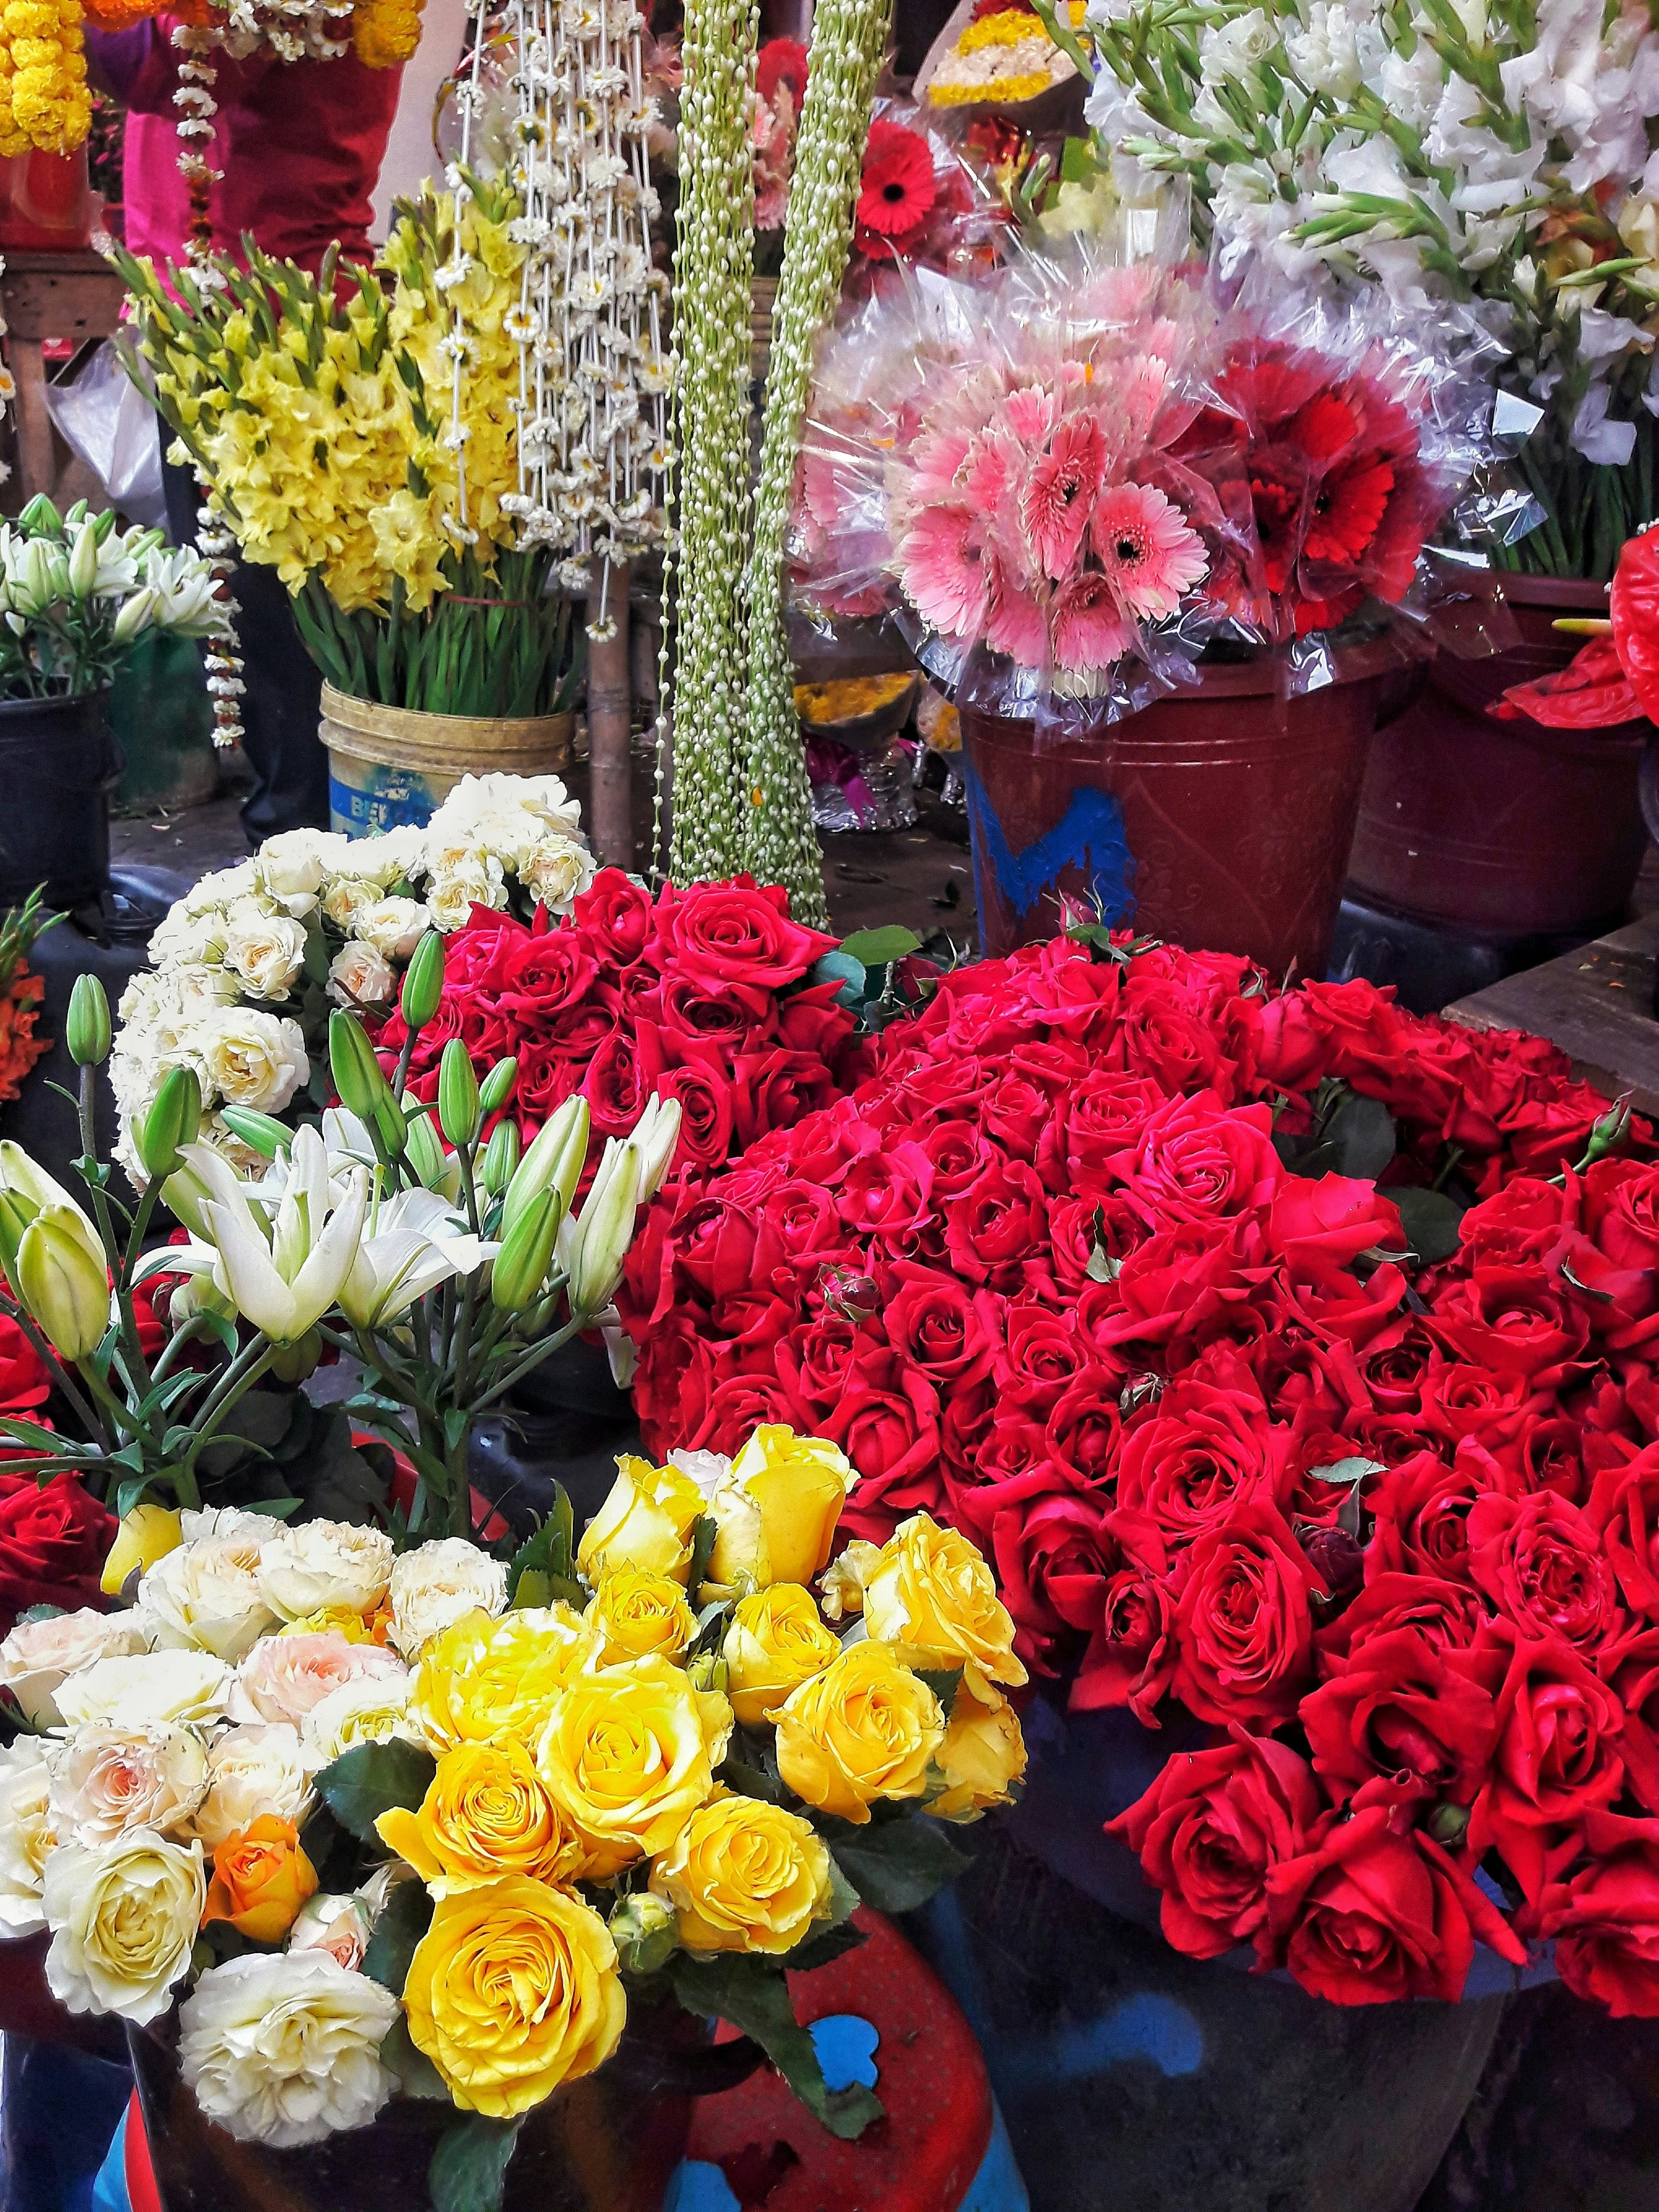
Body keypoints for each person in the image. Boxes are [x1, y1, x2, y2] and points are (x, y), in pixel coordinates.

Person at [87, 23, 405, 843]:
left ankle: (303, 870)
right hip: (226, 307)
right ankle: (301, 857)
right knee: (257, 622)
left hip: (263, 320)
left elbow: (171, 64)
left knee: (270, 627)